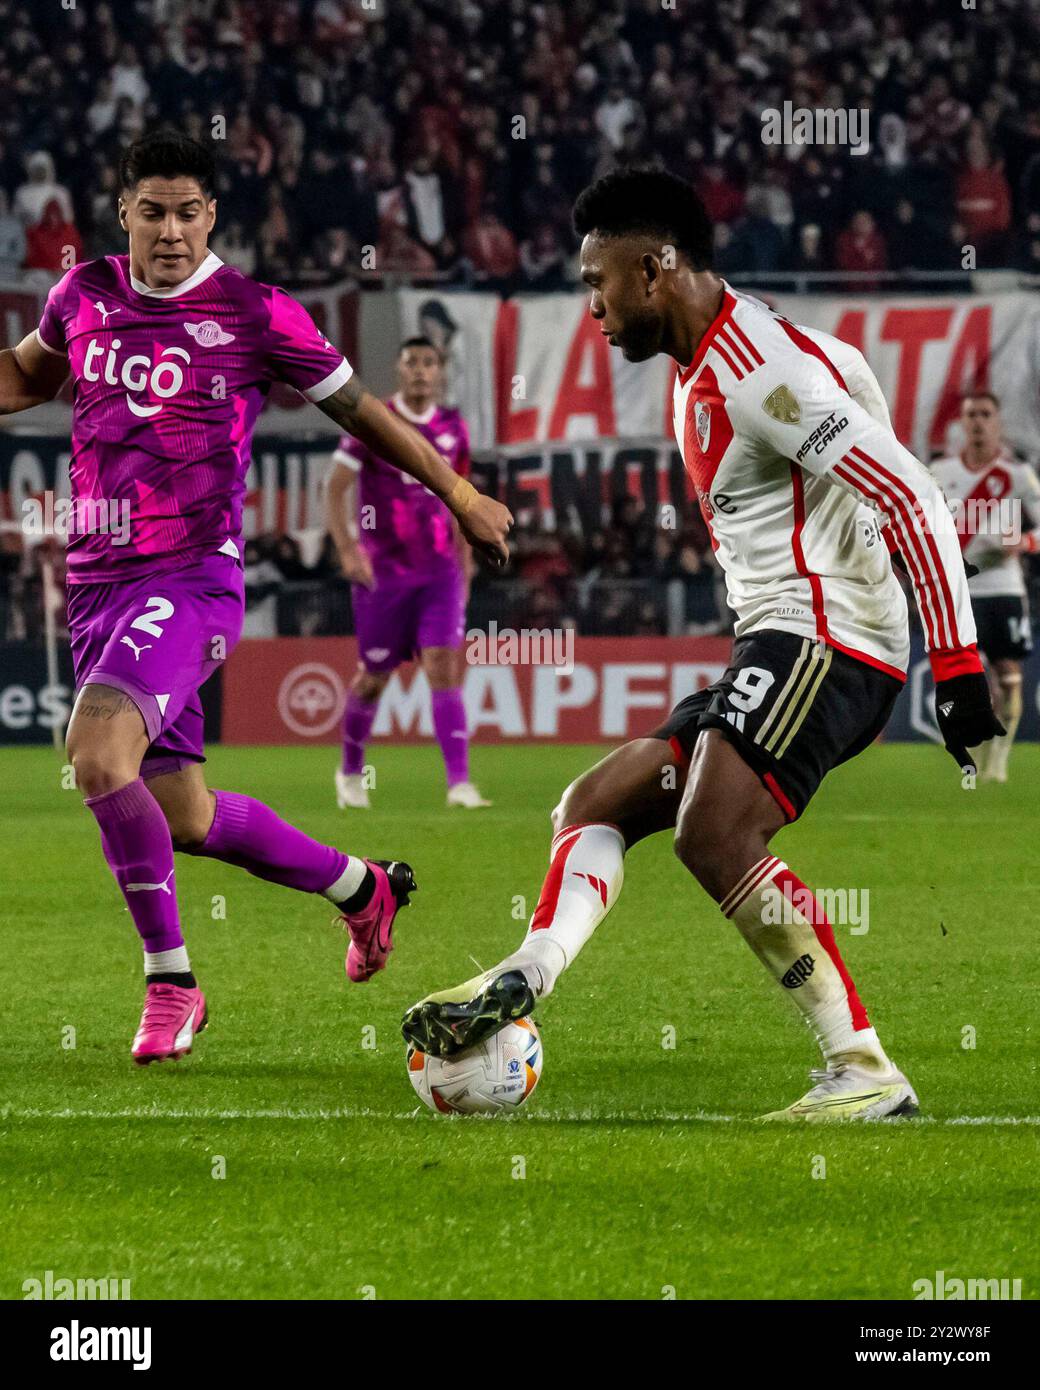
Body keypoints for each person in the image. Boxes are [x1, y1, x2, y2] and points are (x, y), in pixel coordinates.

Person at [403, 167, 1002, 1123]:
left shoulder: (758, 372)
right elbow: (854, 382)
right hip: (777, 638)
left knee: (713, 832)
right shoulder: (718, 360)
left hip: (830, 639)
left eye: (599, 283)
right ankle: (526, 972)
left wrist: (960, 667)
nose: (592, 307)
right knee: (592, 803)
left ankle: (864, 1070)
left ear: (655, 269)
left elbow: (912, 492)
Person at [0, 130, 511, 1065]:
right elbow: (24, 374)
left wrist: (460, 492)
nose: (169, 231)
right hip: (96, 587)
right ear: (122, 214)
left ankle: (173, 985)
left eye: (187, 212)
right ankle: (362, 888)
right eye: (151, 211)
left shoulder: (253, 313)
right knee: (184, 817)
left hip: (192, 578)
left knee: (99, 758)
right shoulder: (84, 294)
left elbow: (364, 413)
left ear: (212, 216)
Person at [325, 337, 490, 810]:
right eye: (411, 361)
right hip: (384, 576)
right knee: (374, 675)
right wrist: (347, 548)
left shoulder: (454, 427)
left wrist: (466, 561)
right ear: (399, 370)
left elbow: (463, 499)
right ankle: (351, 773)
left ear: (440, 372)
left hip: (439, 572)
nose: (420, 370)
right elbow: (334, 488)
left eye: (428, 362)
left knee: (443, 666)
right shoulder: (374, 421)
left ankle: (459, 783)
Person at [931, 393, 1040, 782]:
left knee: (1008, 671)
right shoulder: (939, 473)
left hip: (1005, 588)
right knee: (970, 675)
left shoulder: (1016, 476)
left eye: (985, 414)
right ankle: (975, 748)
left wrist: (1023, 543)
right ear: (961, 423)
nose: (978, 421)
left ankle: (1000, 760)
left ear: (998, 422)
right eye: (970, 415)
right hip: (960, 589)